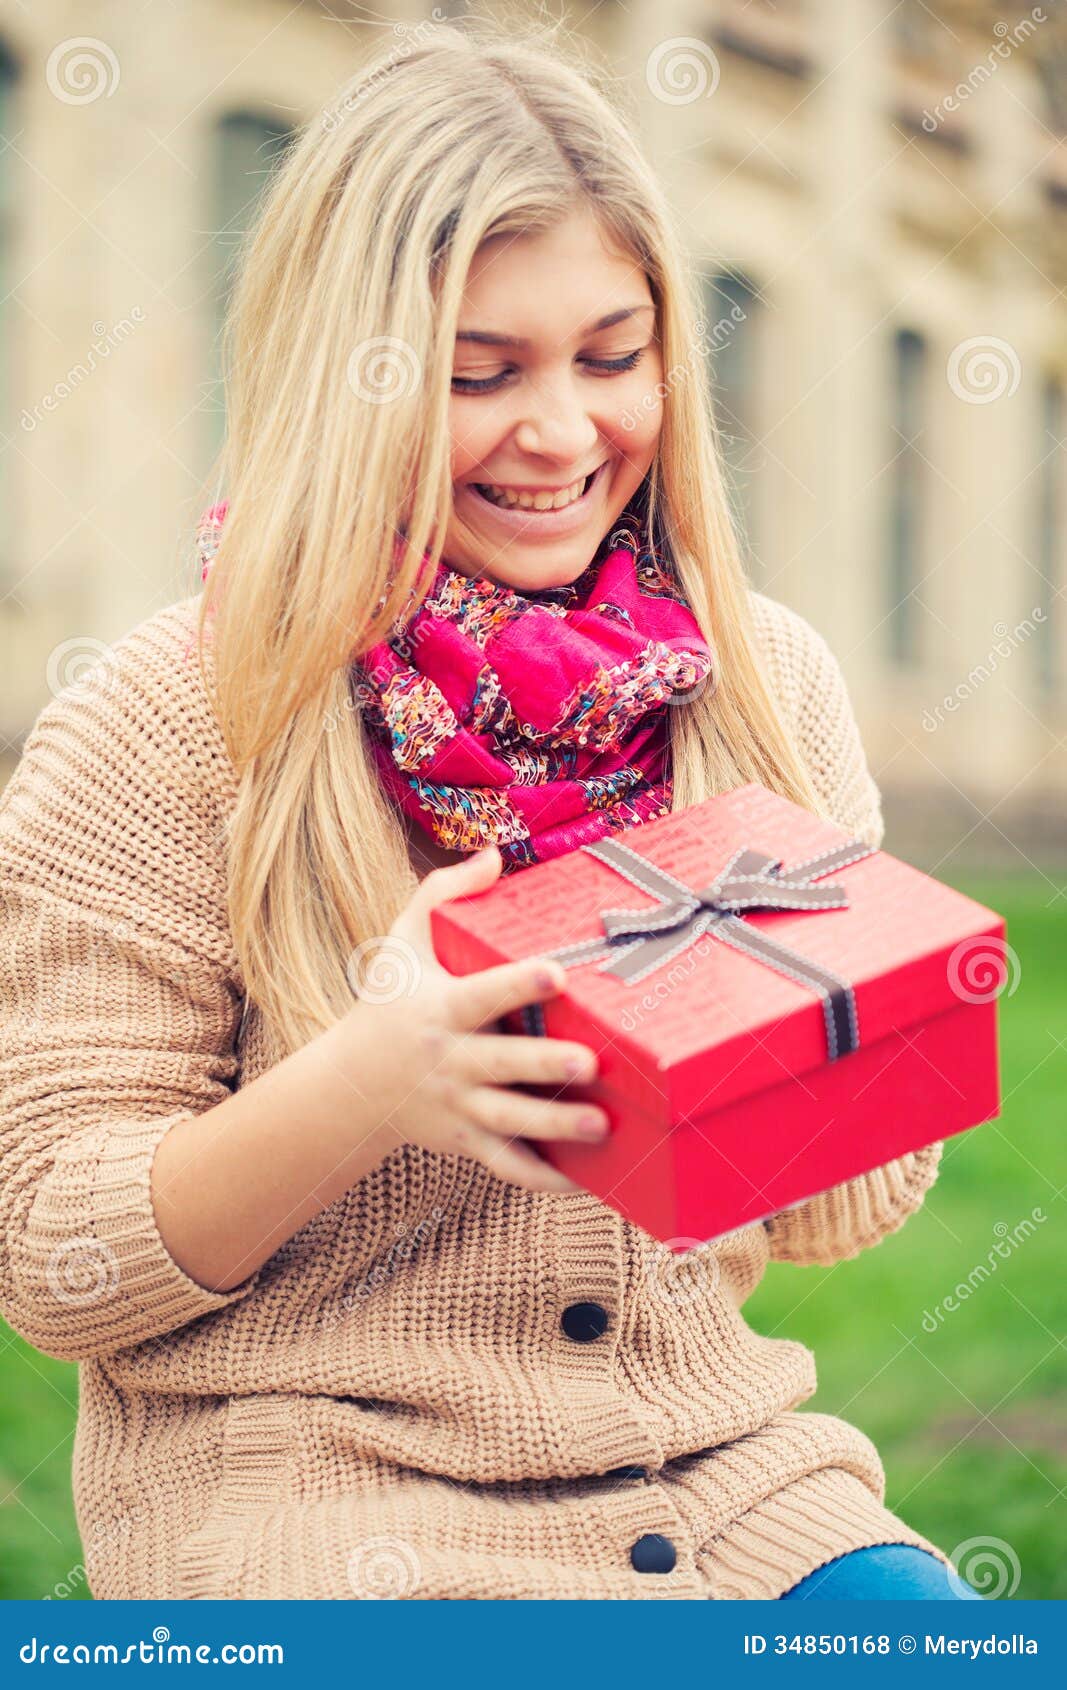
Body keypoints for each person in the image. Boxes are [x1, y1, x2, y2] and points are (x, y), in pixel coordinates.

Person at [0, 17, 979, 1601]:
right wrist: (374, 1085)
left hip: (717, 1478)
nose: (562, 433)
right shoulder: (172, 715)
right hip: (322, 1496)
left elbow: (844, 1213)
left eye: (613, 355)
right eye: (479, 374)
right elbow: (55, 1255)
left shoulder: (753, 682)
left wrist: (846, 1030)